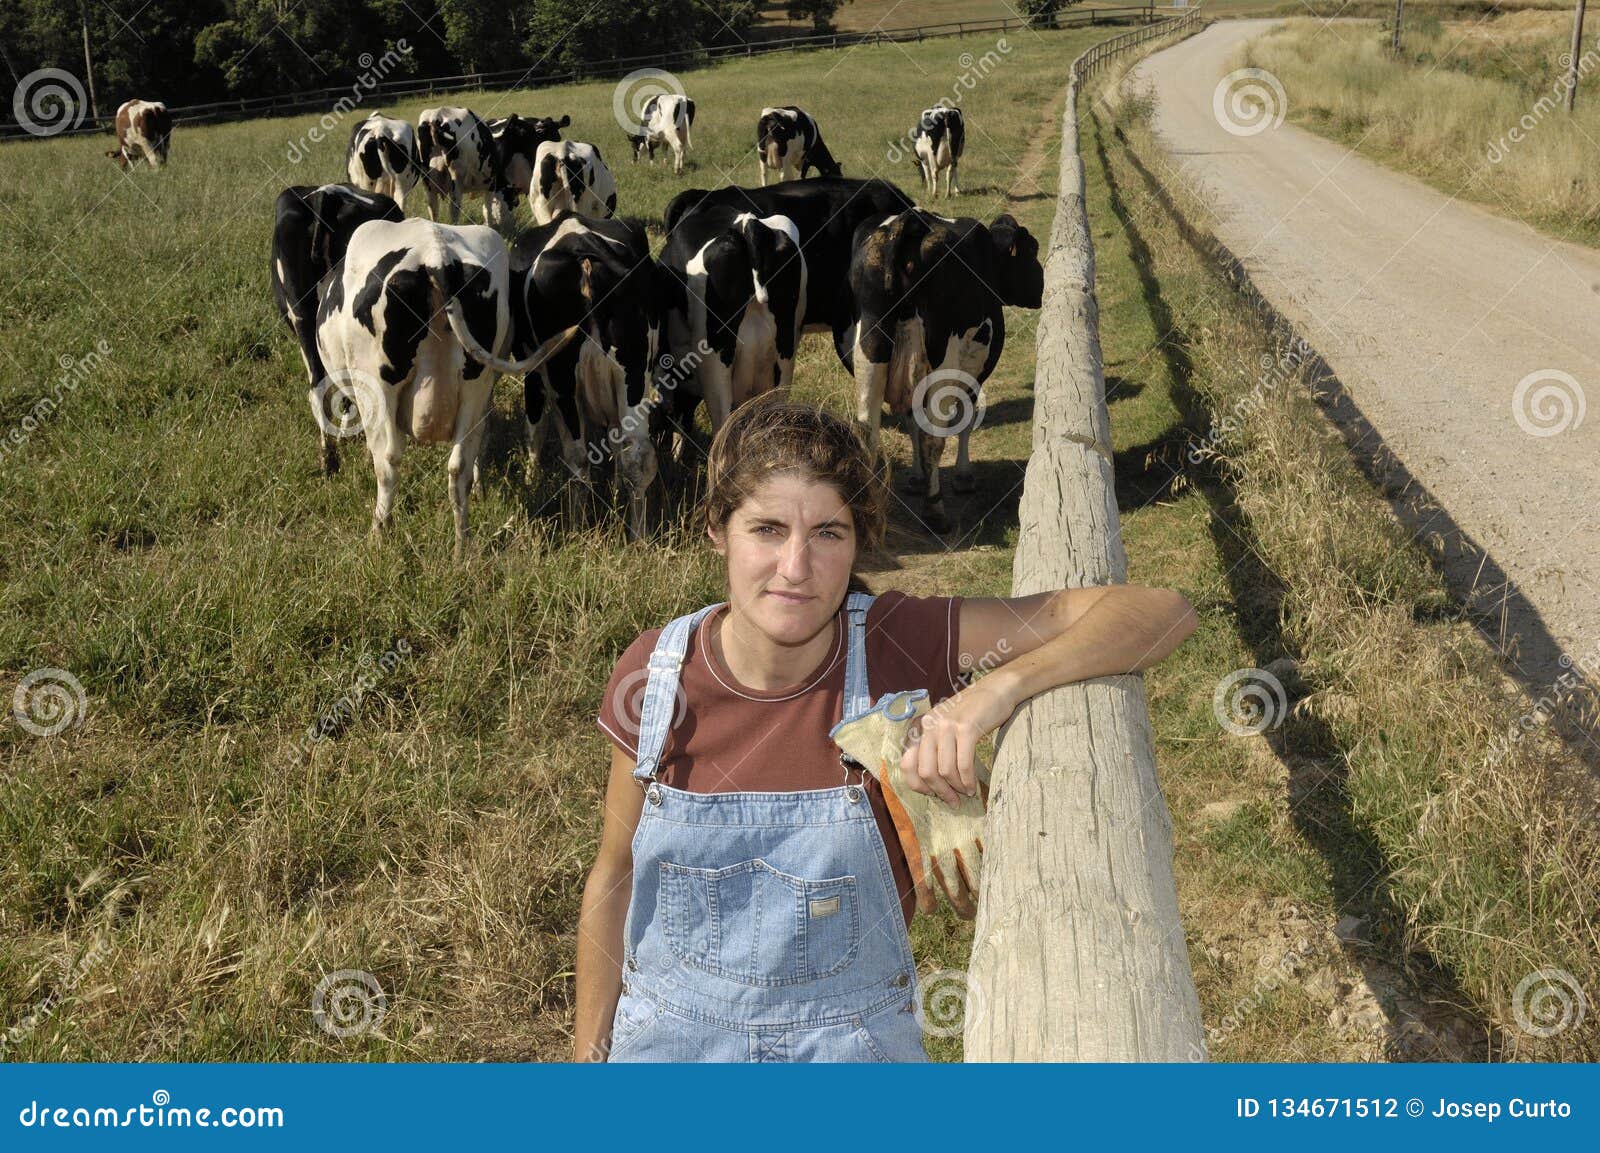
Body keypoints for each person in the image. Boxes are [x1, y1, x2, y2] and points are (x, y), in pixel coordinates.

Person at [573, 397, 1197, 1062]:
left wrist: (990, 693)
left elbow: (1162, 612)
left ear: (858, 540)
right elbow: (614, 874)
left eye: (828, 534)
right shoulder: (658, 676)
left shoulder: (897, 644)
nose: (795, 566)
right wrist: (589, 1062)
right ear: (715, 530)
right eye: (766, 529)